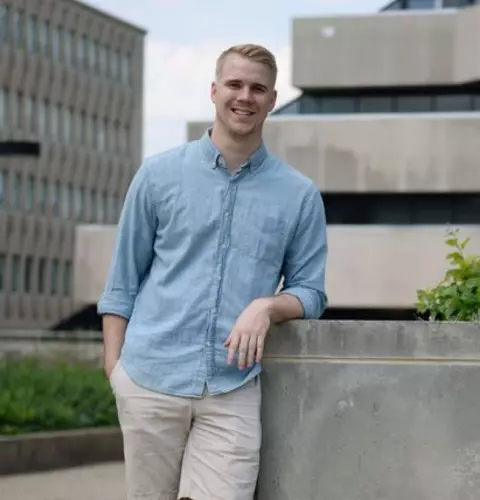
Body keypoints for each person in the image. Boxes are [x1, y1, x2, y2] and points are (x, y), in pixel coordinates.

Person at [97, 43, 328, 500]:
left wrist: (267, 306)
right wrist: (115, 370)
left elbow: (311, 292)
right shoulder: (158, 175)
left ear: (272, 99)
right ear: (214, 91)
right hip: (149, 378)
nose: (245, 96)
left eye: (258, 88)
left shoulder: (298, 195)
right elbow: (122, 282)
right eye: (235, 84)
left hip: (232, 385)